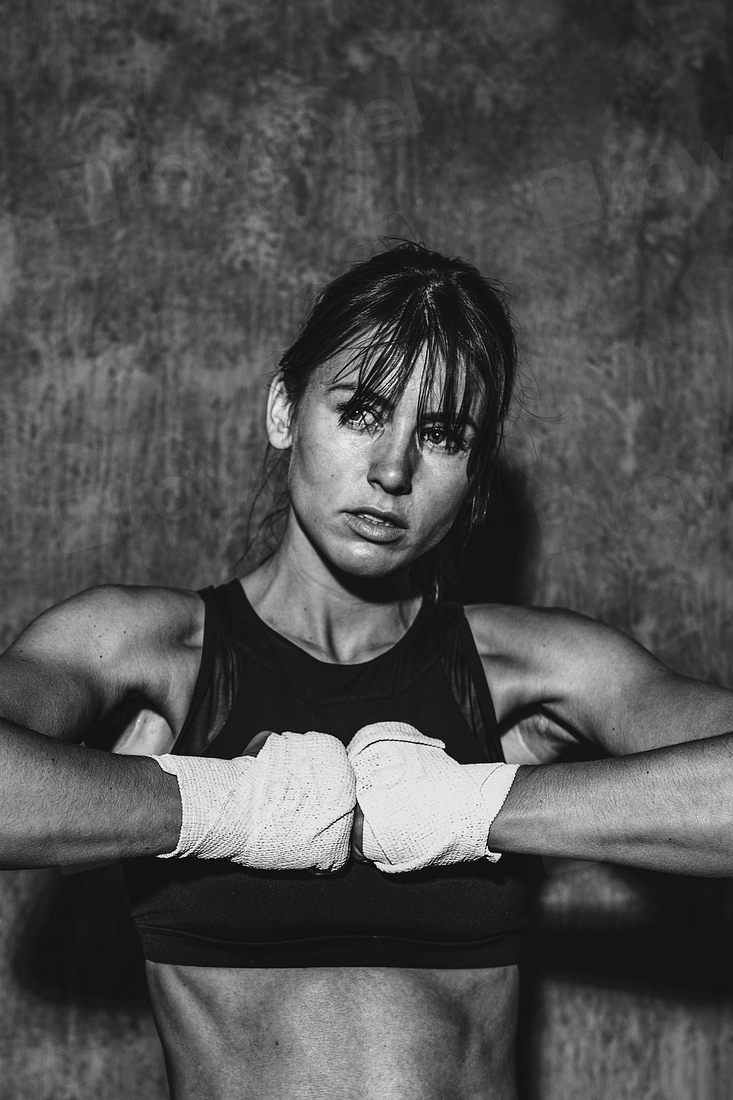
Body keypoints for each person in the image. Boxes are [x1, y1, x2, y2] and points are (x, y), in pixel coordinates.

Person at [1, 242, 733, 1100]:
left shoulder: (528, 671)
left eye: (441, 435)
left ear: (474, 471)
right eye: (360, 411)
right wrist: (231, 806)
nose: (392, 471)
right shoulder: (150, 651)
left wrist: (472, 808)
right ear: (284, 411)